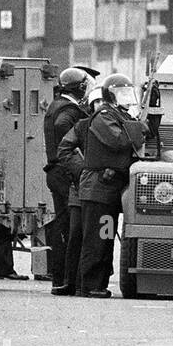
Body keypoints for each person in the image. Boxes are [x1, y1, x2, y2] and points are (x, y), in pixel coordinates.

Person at [78, 73, 147, 299]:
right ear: (111, 95)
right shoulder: (104, 115)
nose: (127, 97)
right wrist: (141, 128)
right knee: (96, 240)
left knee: (105, 238)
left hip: (106, 190)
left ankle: (97, 283)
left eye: (128, 93)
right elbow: (119, 140)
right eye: (122, 93)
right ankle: (89, 285)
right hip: (98, 188)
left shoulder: (119, 114)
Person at [43, 66, 95, 291]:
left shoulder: (55, 105)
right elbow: (62, 125)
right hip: (65, 172)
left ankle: (61, 277)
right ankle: (67, 277)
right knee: (71, 228)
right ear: (80, 87)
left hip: (56, 171)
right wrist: (75, 158)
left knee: (63, 225)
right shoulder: (68, 110)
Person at [53, 87, 105, 296]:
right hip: (82, 189)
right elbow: (64, 150)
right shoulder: (83, 125)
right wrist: (82, 171)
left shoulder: (114, 125)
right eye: (97, 102)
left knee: (99, 238)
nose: (101, 106)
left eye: (103, 102)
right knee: (76, 236)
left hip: (100, 192)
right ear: (91, 105)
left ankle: (90, 283)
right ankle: (71, 282)